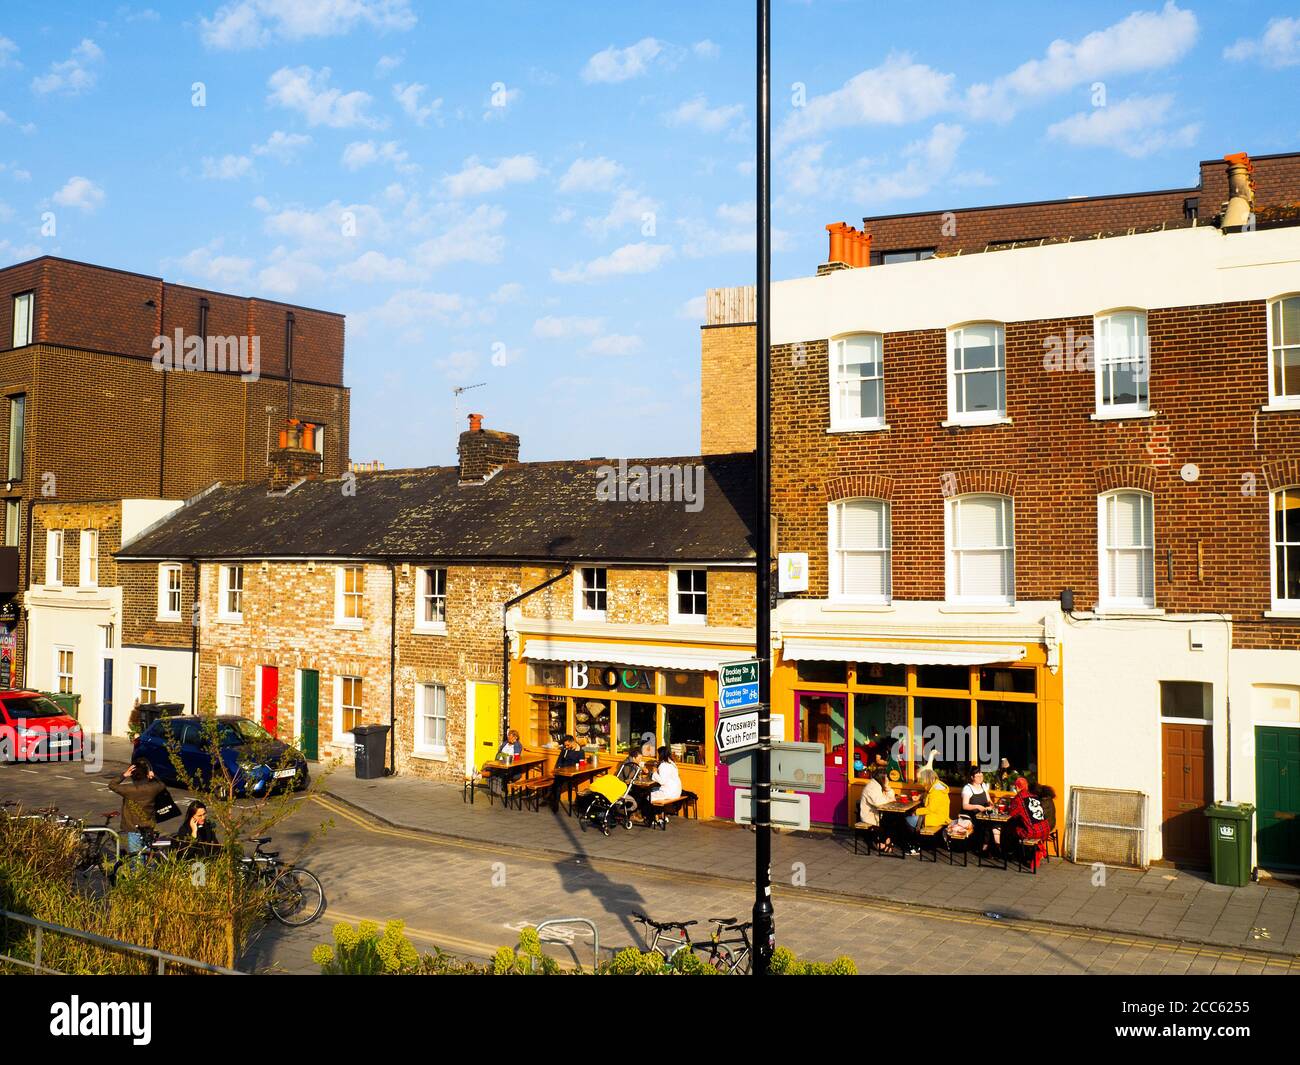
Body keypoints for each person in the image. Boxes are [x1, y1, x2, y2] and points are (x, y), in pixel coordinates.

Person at [107, 757, 165, 856]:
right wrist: (153, 777)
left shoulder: (129, 790)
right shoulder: (153, 788)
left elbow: (112, 785)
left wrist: (124, 775)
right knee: (146, 853)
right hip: (148, 826)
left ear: (133, 776)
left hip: (133, 827)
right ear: (147, 774)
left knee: (136, 857)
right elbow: (162, 785)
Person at [1005, 777, 1051, 869]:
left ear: (1017, 787)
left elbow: (1011, 814)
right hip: (1045, 830)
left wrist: (1008, 807)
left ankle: (1011, 853)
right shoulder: (1034, 795)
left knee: (1013, 828)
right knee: (1025, 825)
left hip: (1033, 832)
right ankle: (1039, 848)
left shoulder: (1019, 798)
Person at [904, 768, 950, 855]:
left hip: (936, 818)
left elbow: (930, 809)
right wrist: (920, 796)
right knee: (910, 818)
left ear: (926, 779)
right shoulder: (934, 786)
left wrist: (916, 812)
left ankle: (915, 846)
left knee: (908, 820)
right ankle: (917, 844)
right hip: (935, 815)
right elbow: (927, 793)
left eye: (921, 779)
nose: (920, 781)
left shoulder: (937, 792)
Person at [857, 769, 897, 852]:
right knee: (891, 818)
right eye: (886, 778)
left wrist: (887, 787)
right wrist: (889, 800)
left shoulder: (879, 786)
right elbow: (878, 803)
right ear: (882, 778)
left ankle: (886, 840)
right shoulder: (871, 787)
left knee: (894, 818)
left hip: (878, 814)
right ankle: (883, 841)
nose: (888, 780)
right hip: (870, 816)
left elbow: (891, 796)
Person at [646, 745, 681, 826]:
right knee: (655, 791)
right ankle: (662, 816)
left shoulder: (663, 765)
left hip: (669, 792)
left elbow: (662, 781)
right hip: (676, 791)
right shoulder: (672, 763)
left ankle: (656, 818)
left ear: (661, 755)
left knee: (649, 796)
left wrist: (654, 772)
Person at [549, 735, 583, 812]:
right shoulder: (565, 749)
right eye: (565, 745)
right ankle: (555, 803)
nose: (566, 746)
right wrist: (556, 769)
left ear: (573, 742)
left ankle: (550, 798)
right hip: (562, 772)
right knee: (557, 782)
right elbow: (559, 760)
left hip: (572, 774)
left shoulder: (580, 751)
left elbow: (582, 765)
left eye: (568, 745)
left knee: (557, 783)